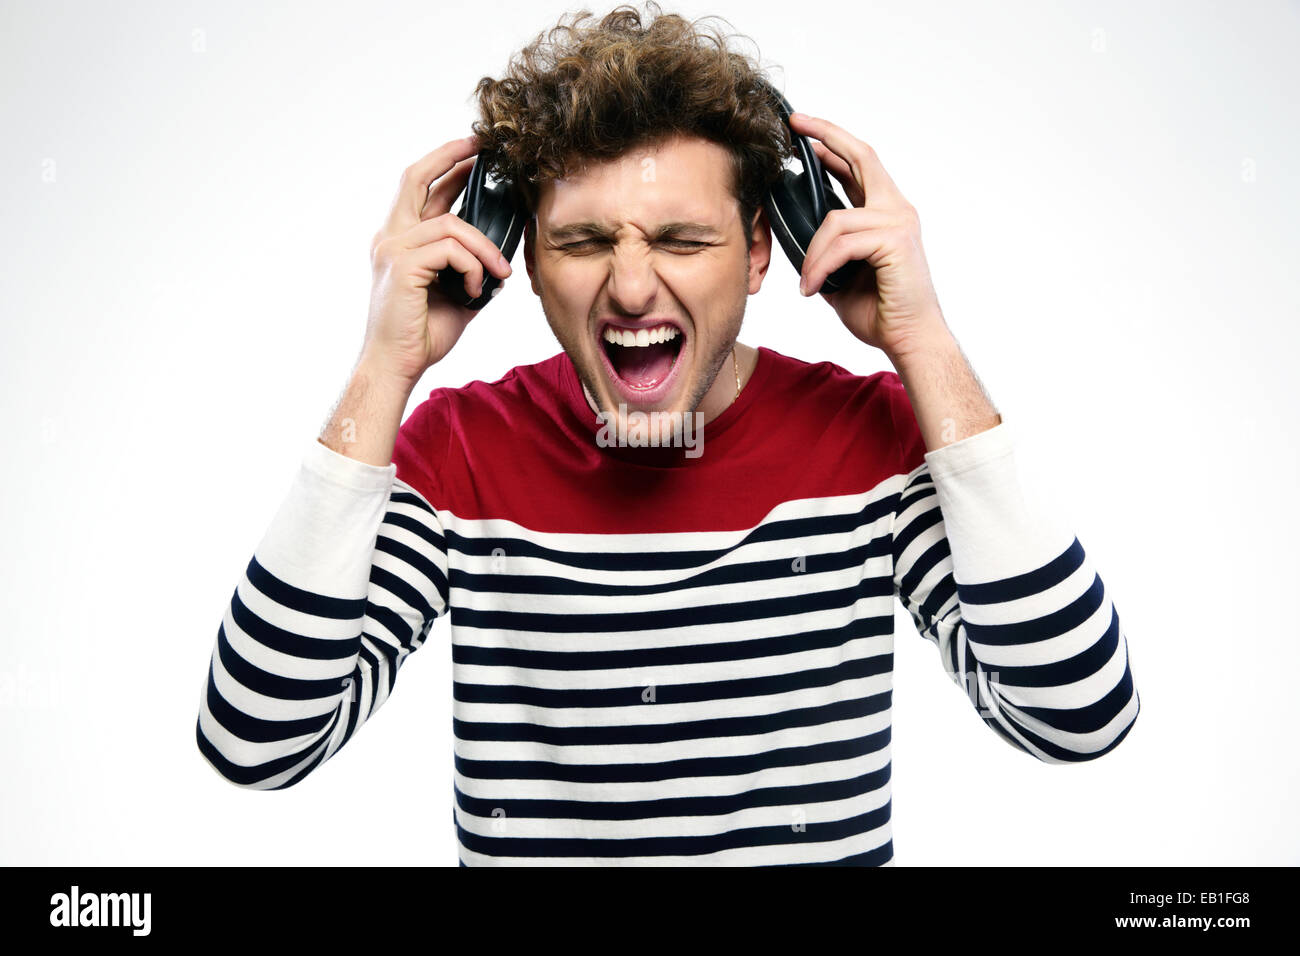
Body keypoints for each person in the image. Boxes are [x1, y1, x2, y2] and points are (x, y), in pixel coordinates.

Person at [194, 2, 1140, 866]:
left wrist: (920, 338)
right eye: (584, 241)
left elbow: (1077, 715)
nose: (635, 288)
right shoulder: (461, 454)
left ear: (767, 248)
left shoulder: (870, 442)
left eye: (683, 241)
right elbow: (256, 742)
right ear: (518, 256)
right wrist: (383, 369)